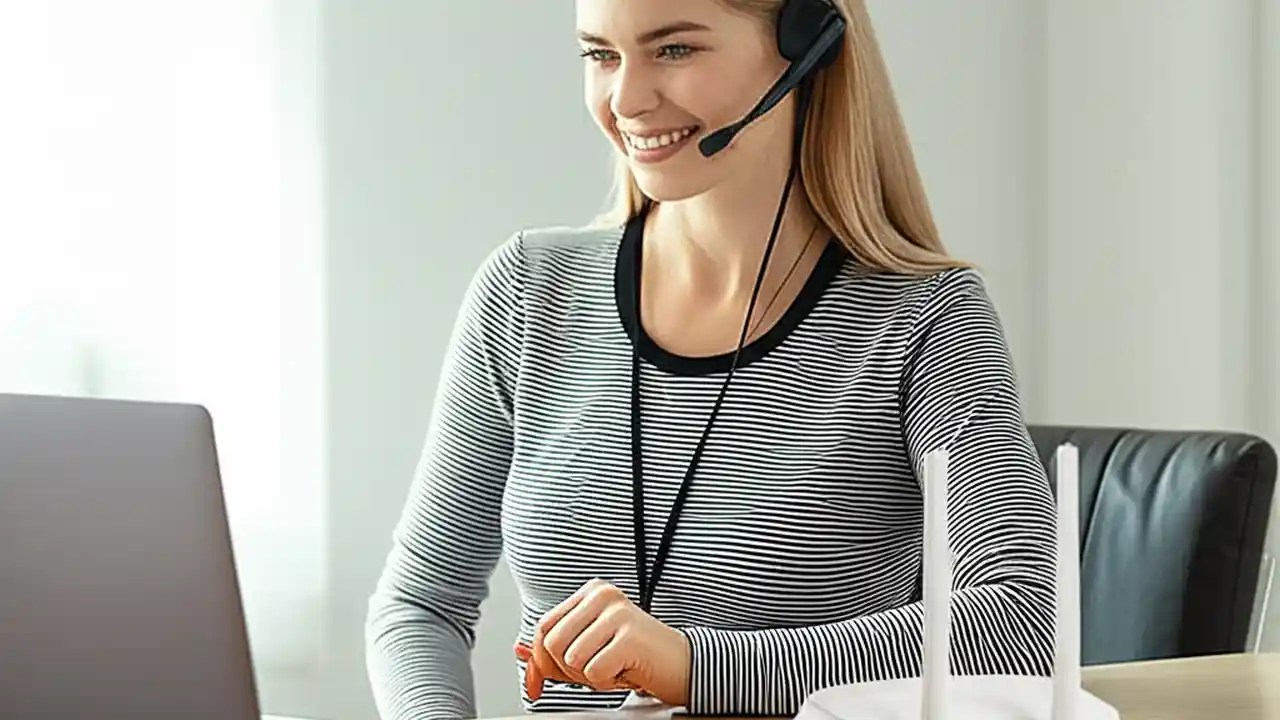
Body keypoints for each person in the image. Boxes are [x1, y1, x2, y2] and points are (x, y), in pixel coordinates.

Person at [365, 0, 1057, 718]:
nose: (626, 100)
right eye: (600, 55)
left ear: (807, 43)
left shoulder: (922, 318)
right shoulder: (527, 293)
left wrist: (691, 666)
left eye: (674, 51)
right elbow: (419, 605)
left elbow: (1021, 623)